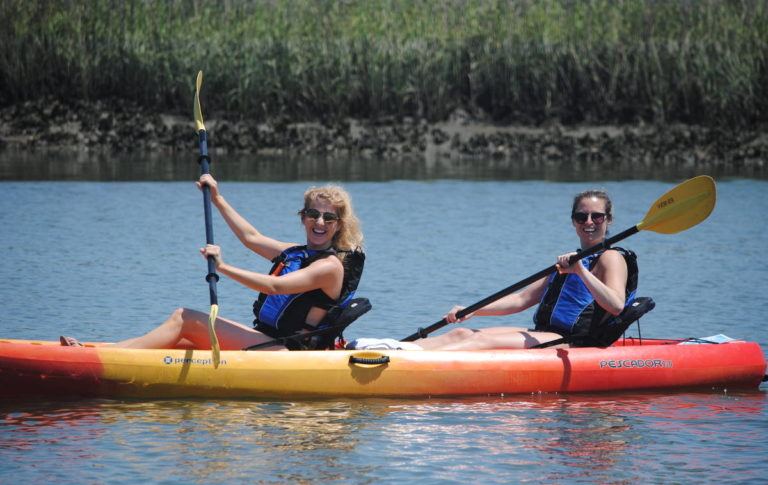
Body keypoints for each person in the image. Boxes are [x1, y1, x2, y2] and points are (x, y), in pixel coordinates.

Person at [61, 174, 365, 351]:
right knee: (181, 344)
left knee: (186, 319)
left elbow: (275, 286)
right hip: (270, 341)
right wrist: (217, 198)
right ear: (304, 218)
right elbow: (250, 236)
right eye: (313, 214)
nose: (320, 222)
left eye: (329, 217)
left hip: (289, 352)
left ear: (339, 225)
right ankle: (93, 349)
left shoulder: (329, 267)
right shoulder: (298, 253)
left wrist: (222, 266)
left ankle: (107, 356)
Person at [411, 188, 637, 350]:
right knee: (462, 333)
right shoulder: (571, 260)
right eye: (581, 216)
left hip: (573, 341)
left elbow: (616, 306)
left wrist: (581, 271)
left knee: (481, 342)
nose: (589, 222)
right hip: (544, 334)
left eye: (596, 216)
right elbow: (521, 300)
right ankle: (399, 352)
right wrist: (472, 310)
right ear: (573, 221)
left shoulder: (611, 258)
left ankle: (416, 368)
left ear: (608, 220)